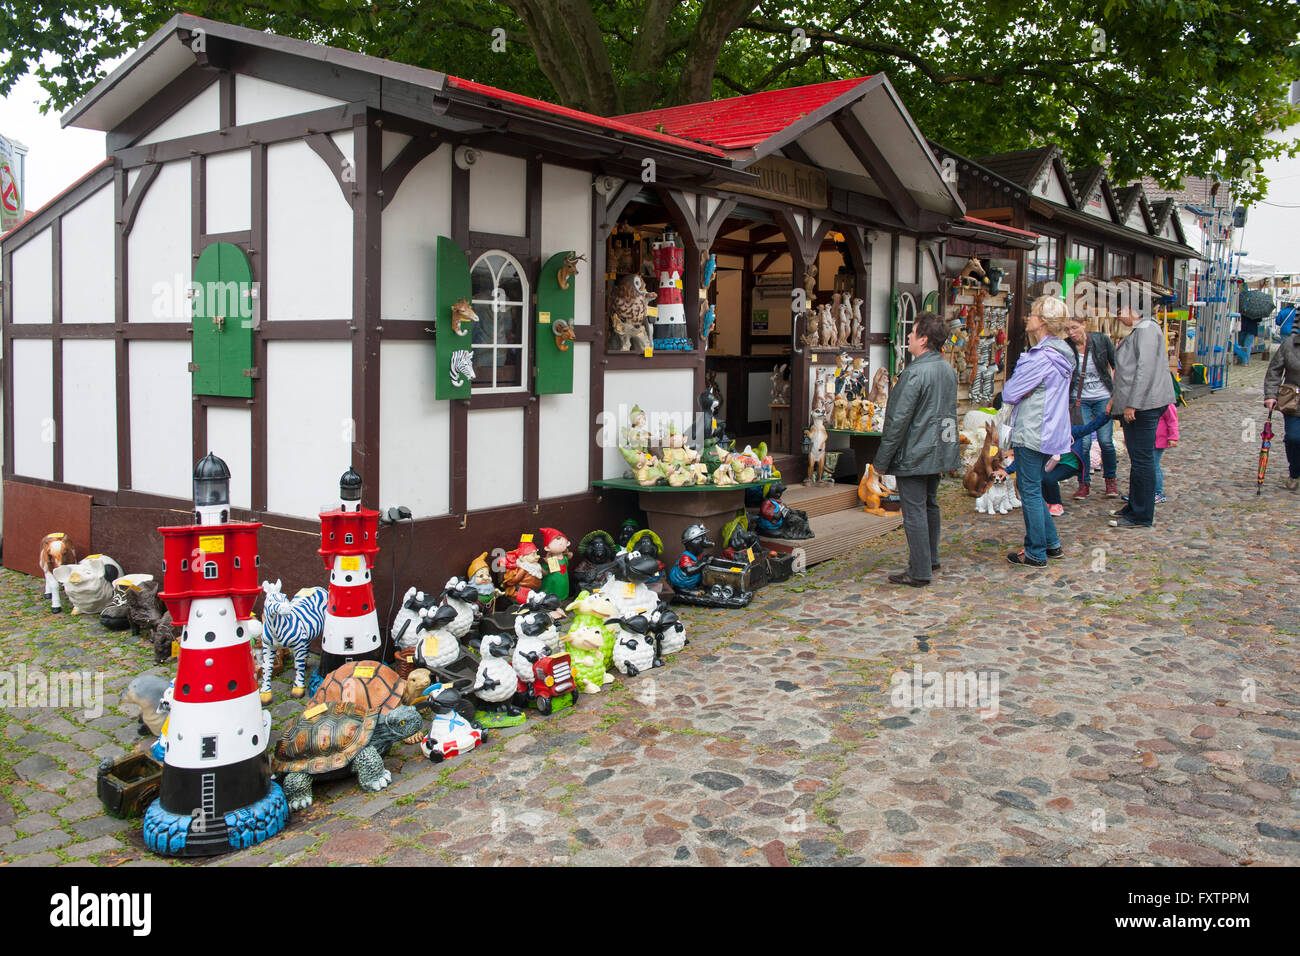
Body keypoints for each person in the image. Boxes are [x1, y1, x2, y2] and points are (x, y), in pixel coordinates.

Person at [874, 312, 959, 587]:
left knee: (914, 511)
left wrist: (881, 461)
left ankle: (920, 570)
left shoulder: (914, 372)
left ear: (923, 339)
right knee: (930, 505)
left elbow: (897, 421)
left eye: (912, 333)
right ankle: (930, 559)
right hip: (936, 451)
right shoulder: (947, 369)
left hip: (914, 452)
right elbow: (948, 415)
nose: (908, 336)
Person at [1002, 295, 1075, 566]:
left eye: (1032, 314)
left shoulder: (1041, 357)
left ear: (1043, 322)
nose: (1027, 318)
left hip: (1034, 429)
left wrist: (1023, 389)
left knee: (1029, 489)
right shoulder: (1063, 353)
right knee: (1032, 487)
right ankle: (1051, 543)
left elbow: (1010, 392)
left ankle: (1035, 551)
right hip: (1053, 430)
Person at [1107, 306, 1176, 528]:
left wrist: (1132, 404)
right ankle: (1135, 506)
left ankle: (1142, 514)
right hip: (1141, 404)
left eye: (1120, 309)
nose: (1117, 315)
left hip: (1144, 405)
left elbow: (1144, 370)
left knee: (1143, 460)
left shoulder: (1146, 329)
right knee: (1138, 459)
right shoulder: (1142, 329)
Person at [1065, 316, 1119, 498]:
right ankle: (1084, 483)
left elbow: (1117, 365)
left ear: (1084, 325)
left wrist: (1116, 394)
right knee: (1084, 443)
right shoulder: (1066, 346)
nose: (1071, 333)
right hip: (1079, 400)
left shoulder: (1101, 340)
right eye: (1067, 330)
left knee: (1105, 441)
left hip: (1103, 396)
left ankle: (1110, 481)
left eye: (1074, 328)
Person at [1264, 325, 1300, 491]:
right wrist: (1271, 395)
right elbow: (1274, 370)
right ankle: (1294, 473)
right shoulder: (1290, 344)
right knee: (1294, 438)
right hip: (1293, 400)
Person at [1153, 401, 1179, 502]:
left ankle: (1158, 492)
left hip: (1159, 440)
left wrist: (1173, 437)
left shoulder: (1167, 403)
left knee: (1154, 466)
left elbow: (1172, 421)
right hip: (1146, 438)